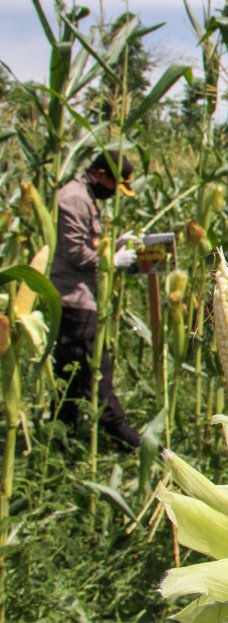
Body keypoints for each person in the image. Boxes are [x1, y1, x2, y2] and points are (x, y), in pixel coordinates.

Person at [50, 150, 142, 450]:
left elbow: (86, 243)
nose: (113, 193)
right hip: (74, 298)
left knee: (70, 373)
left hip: (81, 297)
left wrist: (114, 246)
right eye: (113, 184)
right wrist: (110, 261)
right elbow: (75, 252)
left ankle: (60, 437)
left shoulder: (85, 196)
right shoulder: (74, 198)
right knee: (94, 368)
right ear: (99, 174)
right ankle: (122, 434)